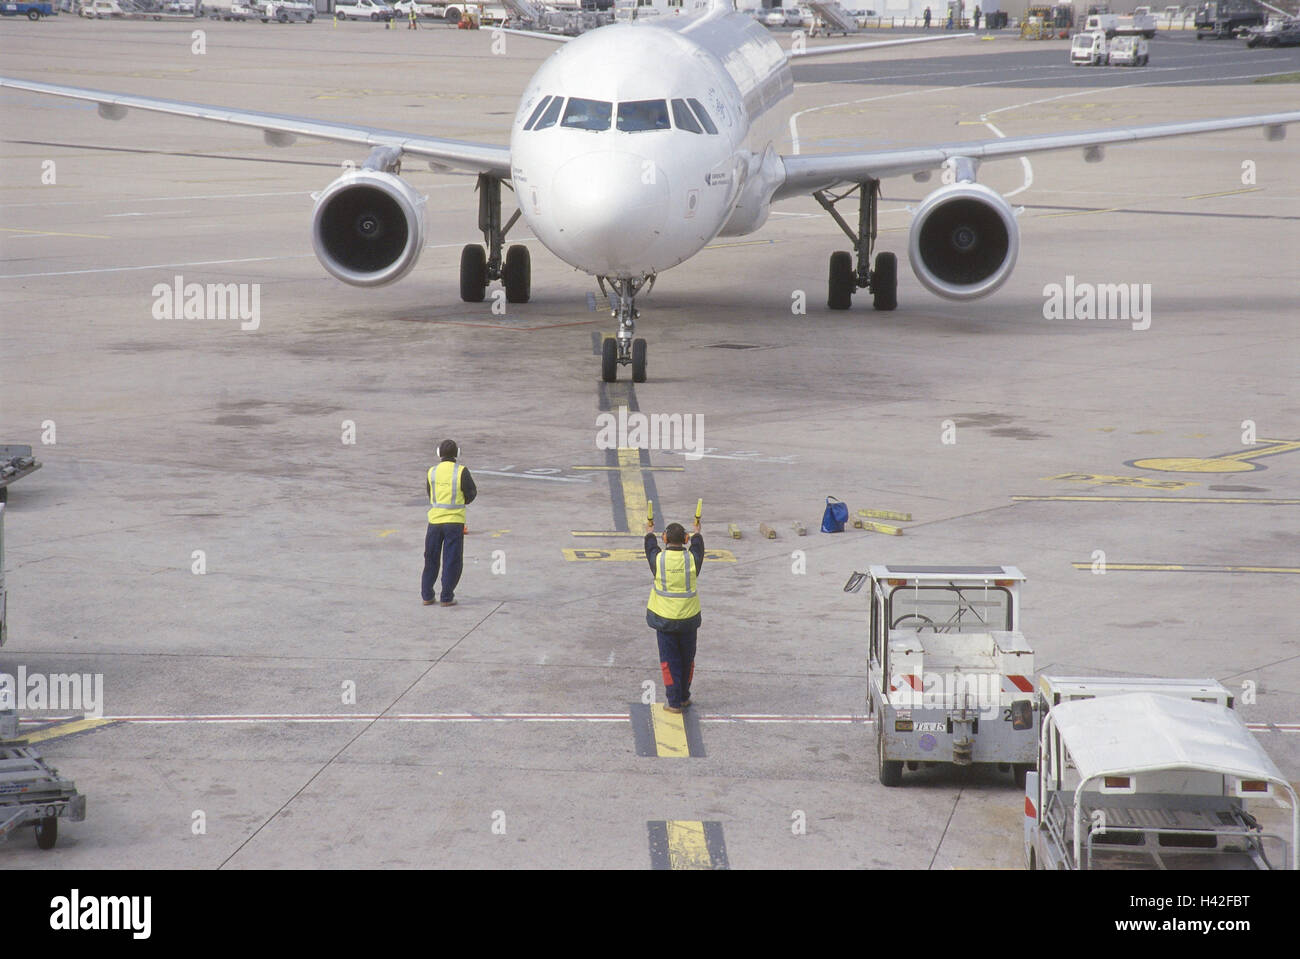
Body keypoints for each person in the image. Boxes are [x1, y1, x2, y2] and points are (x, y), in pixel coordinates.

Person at [644, 519, 704, 714]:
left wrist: (649, 533)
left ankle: (674, 702)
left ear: (665, 539)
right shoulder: (692, 560)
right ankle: (684, 697)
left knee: (669, 661)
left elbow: (650, 549)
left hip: (665, 620)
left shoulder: (659, 560)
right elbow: (698, 548)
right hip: (688, 619)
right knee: (687, 659)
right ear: (686, 539)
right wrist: (697, 533)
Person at [422, 439, 476, 607]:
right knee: (452, 559)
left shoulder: (432, 471)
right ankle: (446, 597)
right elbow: (471, 493)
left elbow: (430, 493)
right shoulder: (461, 471)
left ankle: (427, 595)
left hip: (434, 521)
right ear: (457, 454)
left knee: (431, 558)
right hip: (454, 521)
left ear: (439, 453)